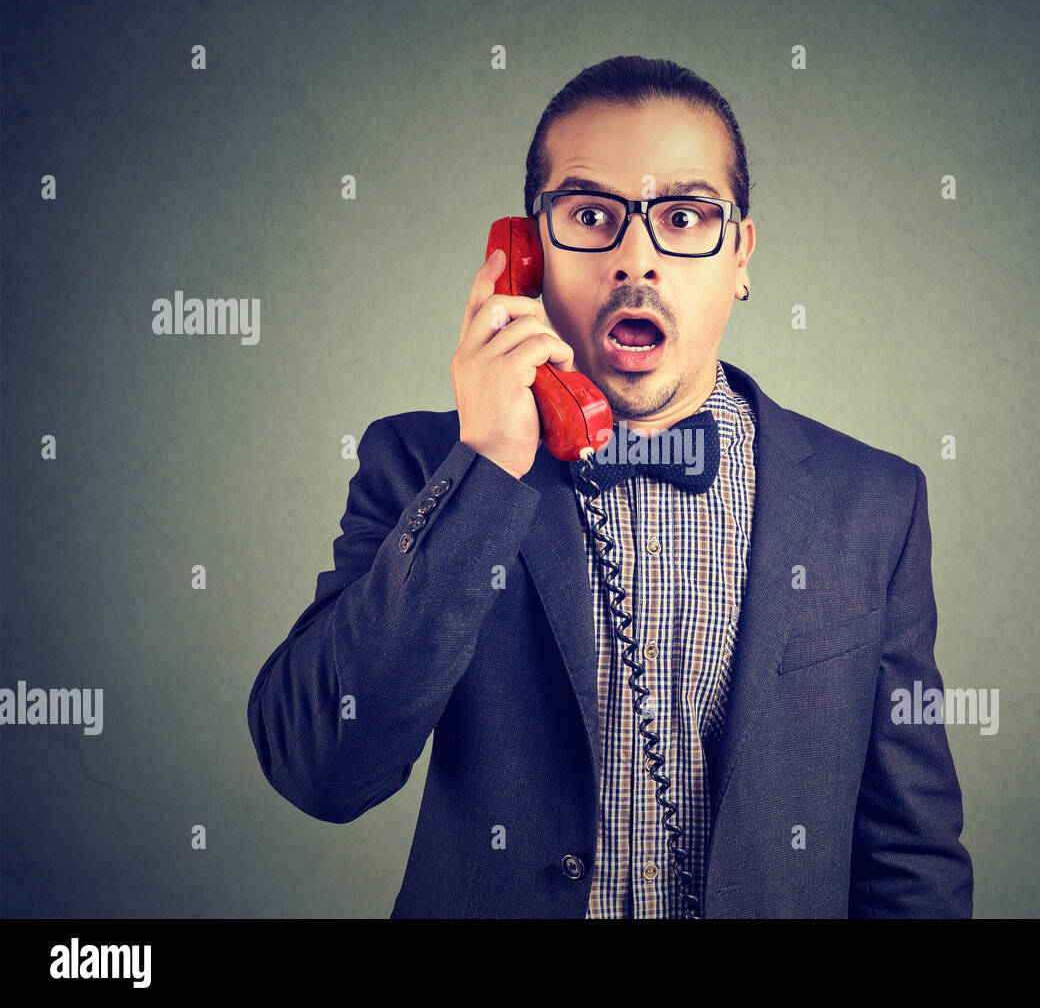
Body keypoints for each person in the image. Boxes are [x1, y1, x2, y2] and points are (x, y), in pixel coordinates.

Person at [247, 55, 974, 919]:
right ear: (525, 252)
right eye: (590, 214)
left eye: (684, 215)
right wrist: (485, 465)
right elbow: (319, 767)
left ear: (740, 253)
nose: (638, 260)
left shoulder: (872, 504)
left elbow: (909, 856)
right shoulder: (419, 466)